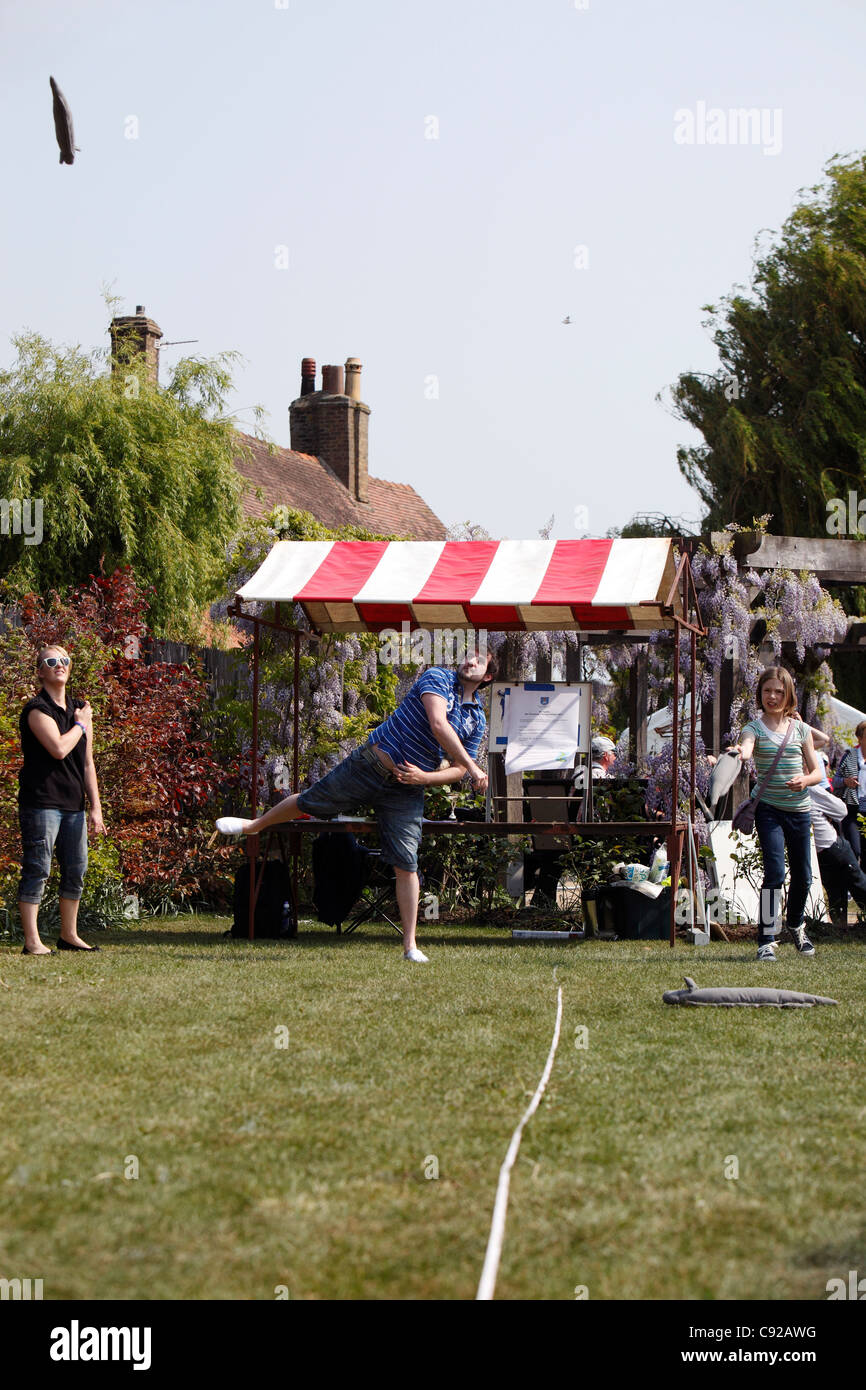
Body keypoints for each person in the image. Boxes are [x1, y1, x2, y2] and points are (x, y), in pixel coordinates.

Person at [216, 649, 497, 962]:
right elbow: (438, 724)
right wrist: (474, 768)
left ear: (487, 676)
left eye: (479, 661)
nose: (470, 661)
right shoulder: (438, 677)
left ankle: (410, 946)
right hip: (371, 765)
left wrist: (424, 778)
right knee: (312, 801)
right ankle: (252, 826)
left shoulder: (476, 719)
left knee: (406, 861)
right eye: (469, 656)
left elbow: (456, 769)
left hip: (406, 788)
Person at [727, 667, 824, 961]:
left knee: (804, 877)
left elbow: (817, 771)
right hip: (768, 809)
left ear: (788, 695)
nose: (773, 696)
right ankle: (766, 939)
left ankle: (795, 925)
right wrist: (737, 752)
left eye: (779, 692)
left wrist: (805, 781)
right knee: (775, 873)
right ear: (760, 693)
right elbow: (746, 749)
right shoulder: (753, 728)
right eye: (768, 690)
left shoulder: (801, 730)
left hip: (799, 811)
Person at [17, 645, 106, 955]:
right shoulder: (36, 710)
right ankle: (32, 941)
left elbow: (87, 762)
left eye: (64, 660)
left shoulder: (80, 708)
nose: (59, 665)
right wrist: (81, 725)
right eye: (51, 661)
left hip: (73, 806)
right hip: (41, 803)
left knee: (76, 870)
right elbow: (58, 748)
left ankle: (69, 935)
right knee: (38, 869)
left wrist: (95, 806)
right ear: (41, 671)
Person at [811, 753, 866, 925]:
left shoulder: (808, 790)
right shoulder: (812, 790)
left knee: (846, 885)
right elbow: (840, 811)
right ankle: (840, 928)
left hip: (828, 847)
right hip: (827, 846)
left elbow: (841, 811)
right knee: (848, 884)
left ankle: (840, 927)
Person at [832, 720, 866, 866]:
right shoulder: (849, 756)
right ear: (859, 737)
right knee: (855, 850)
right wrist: (846, 781)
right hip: (852, 810)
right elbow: (835, 781)